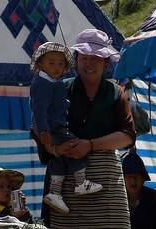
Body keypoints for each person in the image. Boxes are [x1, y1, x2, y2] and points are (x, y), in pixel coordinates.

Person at [36, 27, 135, 229]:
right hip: (67, 181)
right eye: (84, 57)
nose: (89, 63)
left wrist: (89, 145)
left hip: (106, 179)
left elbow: (127, 136)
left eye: (96, 58)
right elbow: (40, 128)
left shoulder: (114, 92)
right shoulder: (59, 88)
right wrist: (57, 149)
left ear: (105, 62)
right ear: (76, 60)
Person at [30, 39, 102, 215]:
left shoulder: (56, 83)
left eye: (61, 64)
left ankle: (55, 192)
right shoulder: (42, 83)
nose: (57, 67)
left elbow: (56, 105)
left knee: (60, 158)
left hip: (57, 127)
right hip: (54, 129)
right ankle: (80, 182)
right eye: (51, 63)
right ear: (40, 64)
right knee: (74, 146)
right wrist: (43, 130)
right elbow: (39, 109)